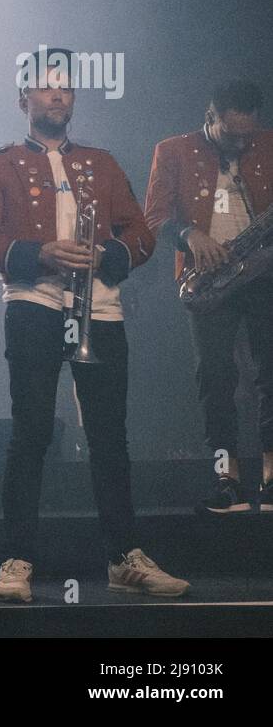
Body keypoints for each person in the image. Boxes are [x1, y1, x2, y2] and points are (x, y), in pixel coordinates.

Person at [0, 48, 188, 602]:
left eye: (64, 88)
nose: (57, 95)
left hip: (101, 310)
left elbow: (142, 233)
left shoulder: (103, 162)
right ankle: (16, 560)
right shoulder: (1, 163)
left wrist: (110, 252)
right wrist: (40, 253)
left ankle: (124, 556)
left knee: (110, 437)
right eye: (45, 87)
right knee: (32, 433)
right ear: (25, 100)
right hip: (35, 305)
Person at [144, 80, 273, 514]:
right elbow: (154, 217)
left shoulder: (267, 144)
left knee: (272, 376)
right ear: (209, 118)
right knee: (214, 378)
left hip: (265, 274)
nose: (241, 143)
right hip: (209, 278)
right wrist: (189, 234)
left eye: (247, 135)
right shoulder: (172, 150)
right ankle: (227, 477)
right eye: (231, 134)